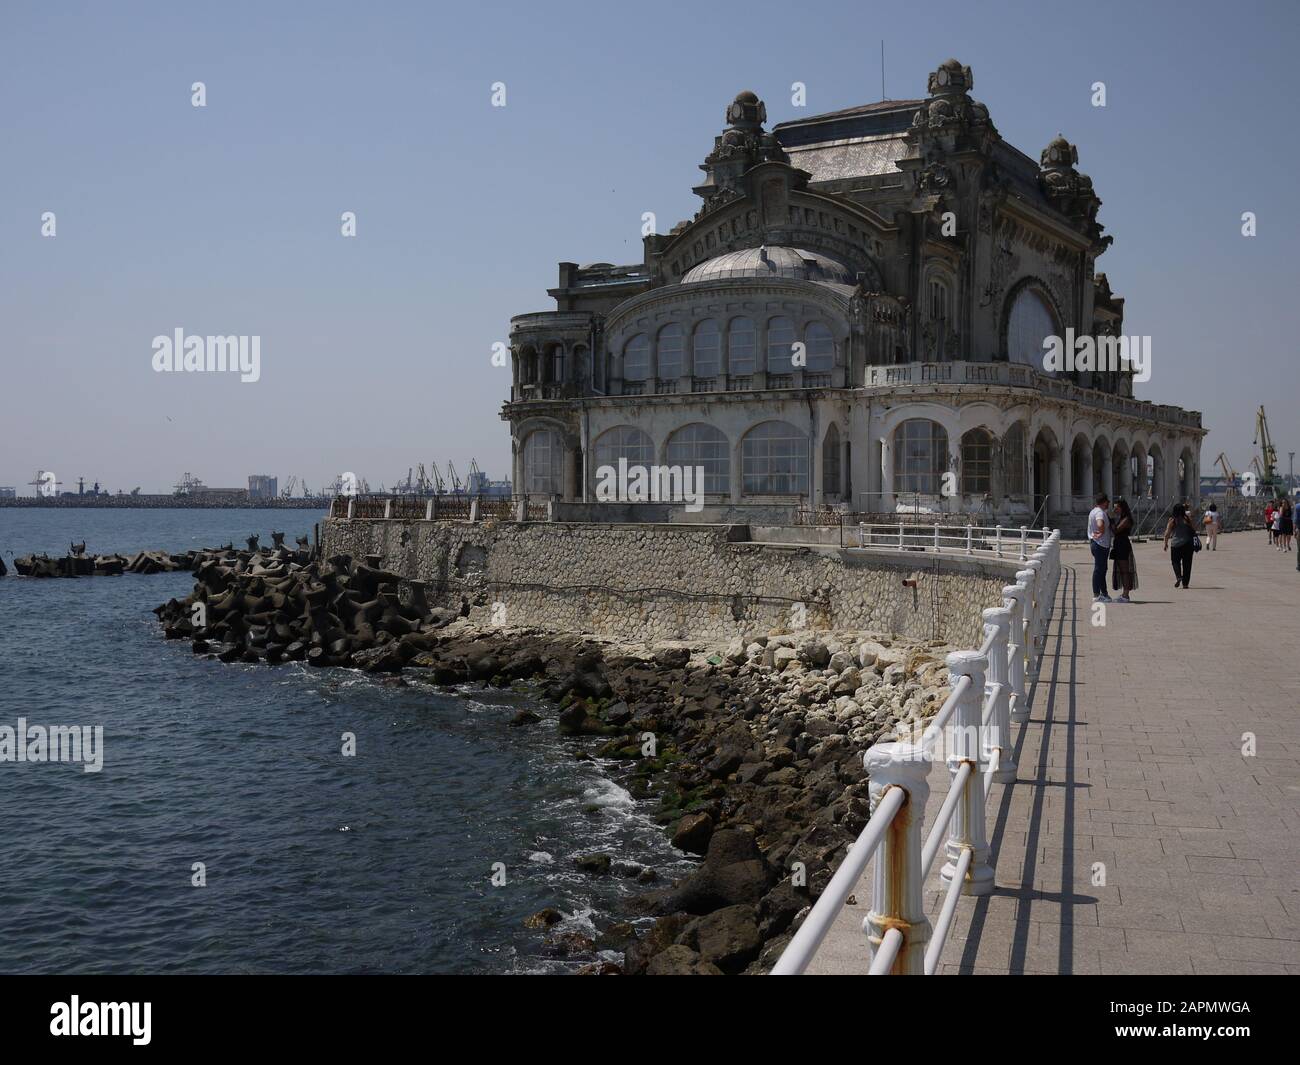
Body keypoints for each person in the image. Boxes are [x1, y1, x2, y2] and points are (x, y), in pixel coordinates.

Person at [1164, 502, 1196, 588]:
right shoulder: (1187, 519)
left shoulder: (1172, 520)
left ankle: (1178, 576)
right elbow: (1194, 528)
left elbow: (1167, 533)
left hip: (1175, 545)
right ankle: (1185, 584)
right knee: (1187, 564)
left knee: (1175, 562)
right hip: (1188, 544)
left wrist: (1165, 543)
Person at [1110, 498, 1136, 602]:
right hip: (1119, 545)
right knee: (1121, 570)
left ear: (1122, 508)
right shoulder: (1122, 518)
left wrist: (1111, 519)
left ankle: (1126, 595)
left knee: (1125, 571)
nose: (1115, 510)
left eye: (1116, 508)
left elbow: (1116, 530)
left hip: (1123, 545)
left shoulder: (1126, 519)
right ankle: (1124, 594)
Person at [1088, 493, 1112, 603]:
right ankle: (1096, 594)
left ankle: (1104, 593)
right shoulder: (1099, 512)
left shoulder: (1094, 511)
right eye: (1107, 502)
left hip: (1097, 543)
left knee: (1102, 569)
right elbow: (1100, 522)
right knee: (1099, 569)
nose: (1109, 504)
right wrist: (1101, 531)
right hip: (1100, 544)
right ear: (1104, 502)